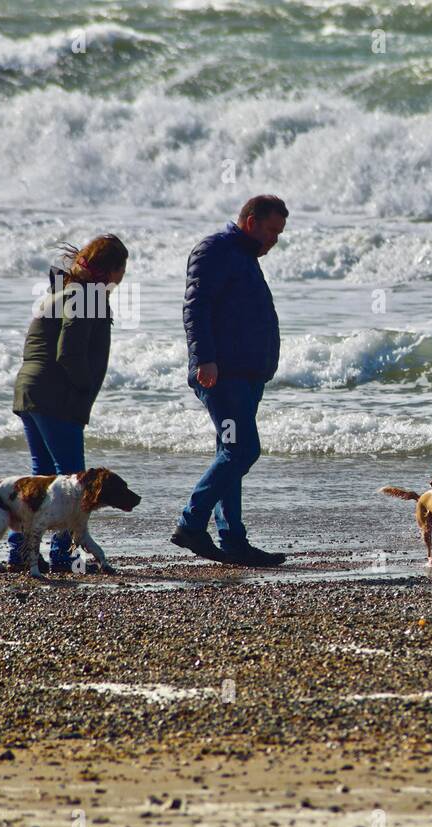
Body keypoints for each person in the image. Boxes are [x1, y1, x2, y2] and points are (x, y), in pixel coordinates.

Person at [171, 195, 288, 567]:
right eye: (271, 230)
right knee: (241, 452)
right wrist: (204, 358)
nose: (274, 239)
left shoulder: (244, 256)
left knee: (230, 454)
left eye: (279, 233)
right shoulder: (215, 250)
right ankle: (191, 523)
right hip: (222, 376)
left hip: (245, 376)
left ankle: (233, 540)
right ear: (251, 222)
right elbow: (195, 306)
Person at [10, 234, 128, 572]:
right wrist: (84, 387)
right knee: (73, 482)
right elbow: (70, 352)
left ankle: (21, 553)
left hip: (30, 392)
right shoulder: (88, 295)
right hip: (55, 398)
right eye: (122, 271)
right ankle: (64, 555)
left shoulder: (63, 289)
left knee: (40, 479)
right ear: (112, 270)